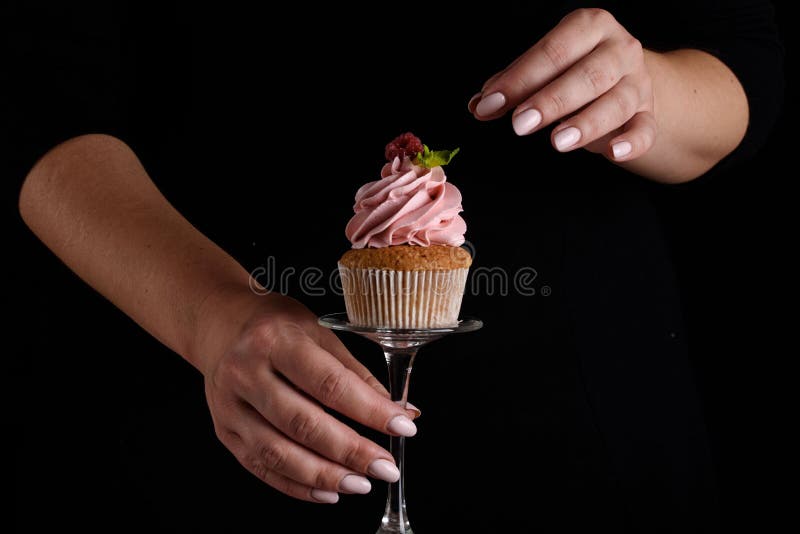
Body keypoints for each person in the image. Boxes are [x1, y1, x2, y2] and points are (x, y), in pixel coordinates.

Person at [9, 2, 784, 532]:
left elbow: (743, 62)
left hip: (595, 421)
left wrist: (645, 89)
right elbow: (41, 106)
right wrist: (210, 314)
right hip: (233, 417)